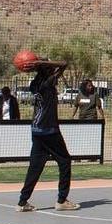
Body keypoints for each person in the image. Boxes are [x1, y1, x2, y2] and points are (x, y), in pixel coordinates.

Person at [17, 59, 80, 213]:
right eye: (51, 68)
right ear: (48, 71)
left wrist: (40, 64)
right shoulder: (46, 84)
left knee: (35, 167)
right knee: (65, 161)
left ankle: (22, 201)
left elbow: (58, 68)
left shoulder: (35, 84)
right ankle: (62, 200)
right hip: (49, 130)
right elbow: (64, 64)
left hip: (37, 130)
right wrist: (40, 61)